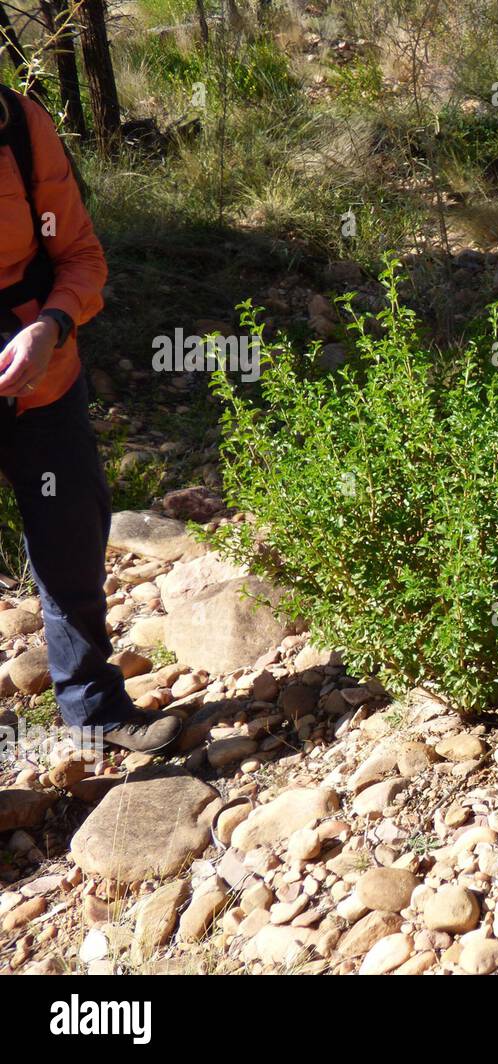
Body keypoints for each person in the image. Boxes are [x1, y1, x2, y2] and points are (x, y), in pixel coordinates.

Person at [0, 86, 179, 754]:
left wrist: (51, 324)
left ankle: (96, 711)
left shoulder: (19, 124)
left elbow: (79, 254)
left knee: (70, 531)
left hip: (45, 377)